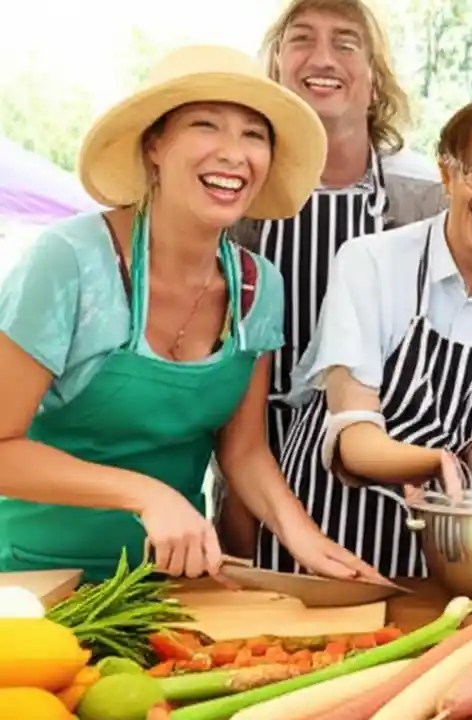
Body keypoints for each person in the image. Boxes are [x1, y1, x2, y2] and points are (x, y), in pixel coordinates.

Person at [0, 45, 380, 583]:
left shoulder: (258, 286)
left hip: (170, 582)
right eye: (207, 125)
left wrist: (306, 538)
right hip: (29, 584)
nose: (234, 153)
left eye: (254, 135)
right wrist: (146, 494)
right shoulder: (69, 262)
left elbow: (244, 450)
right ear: (154, 145)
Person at [257, 96, 472, 578]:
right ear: (448, 173)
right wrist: (437, 461)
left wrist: (464, 503)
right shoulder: (371, 262)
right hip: (325, 517)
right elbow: (352, 439)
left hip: (428, 531)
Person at [222, 0, 448, 555]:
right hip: (254, 454)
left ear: (374, 84)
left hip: (385, 467)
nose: (322, 57)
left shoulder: (424, 203)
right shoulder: (231, 199)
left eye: (346, 43)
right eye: (301, 39)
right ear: (275, 69)